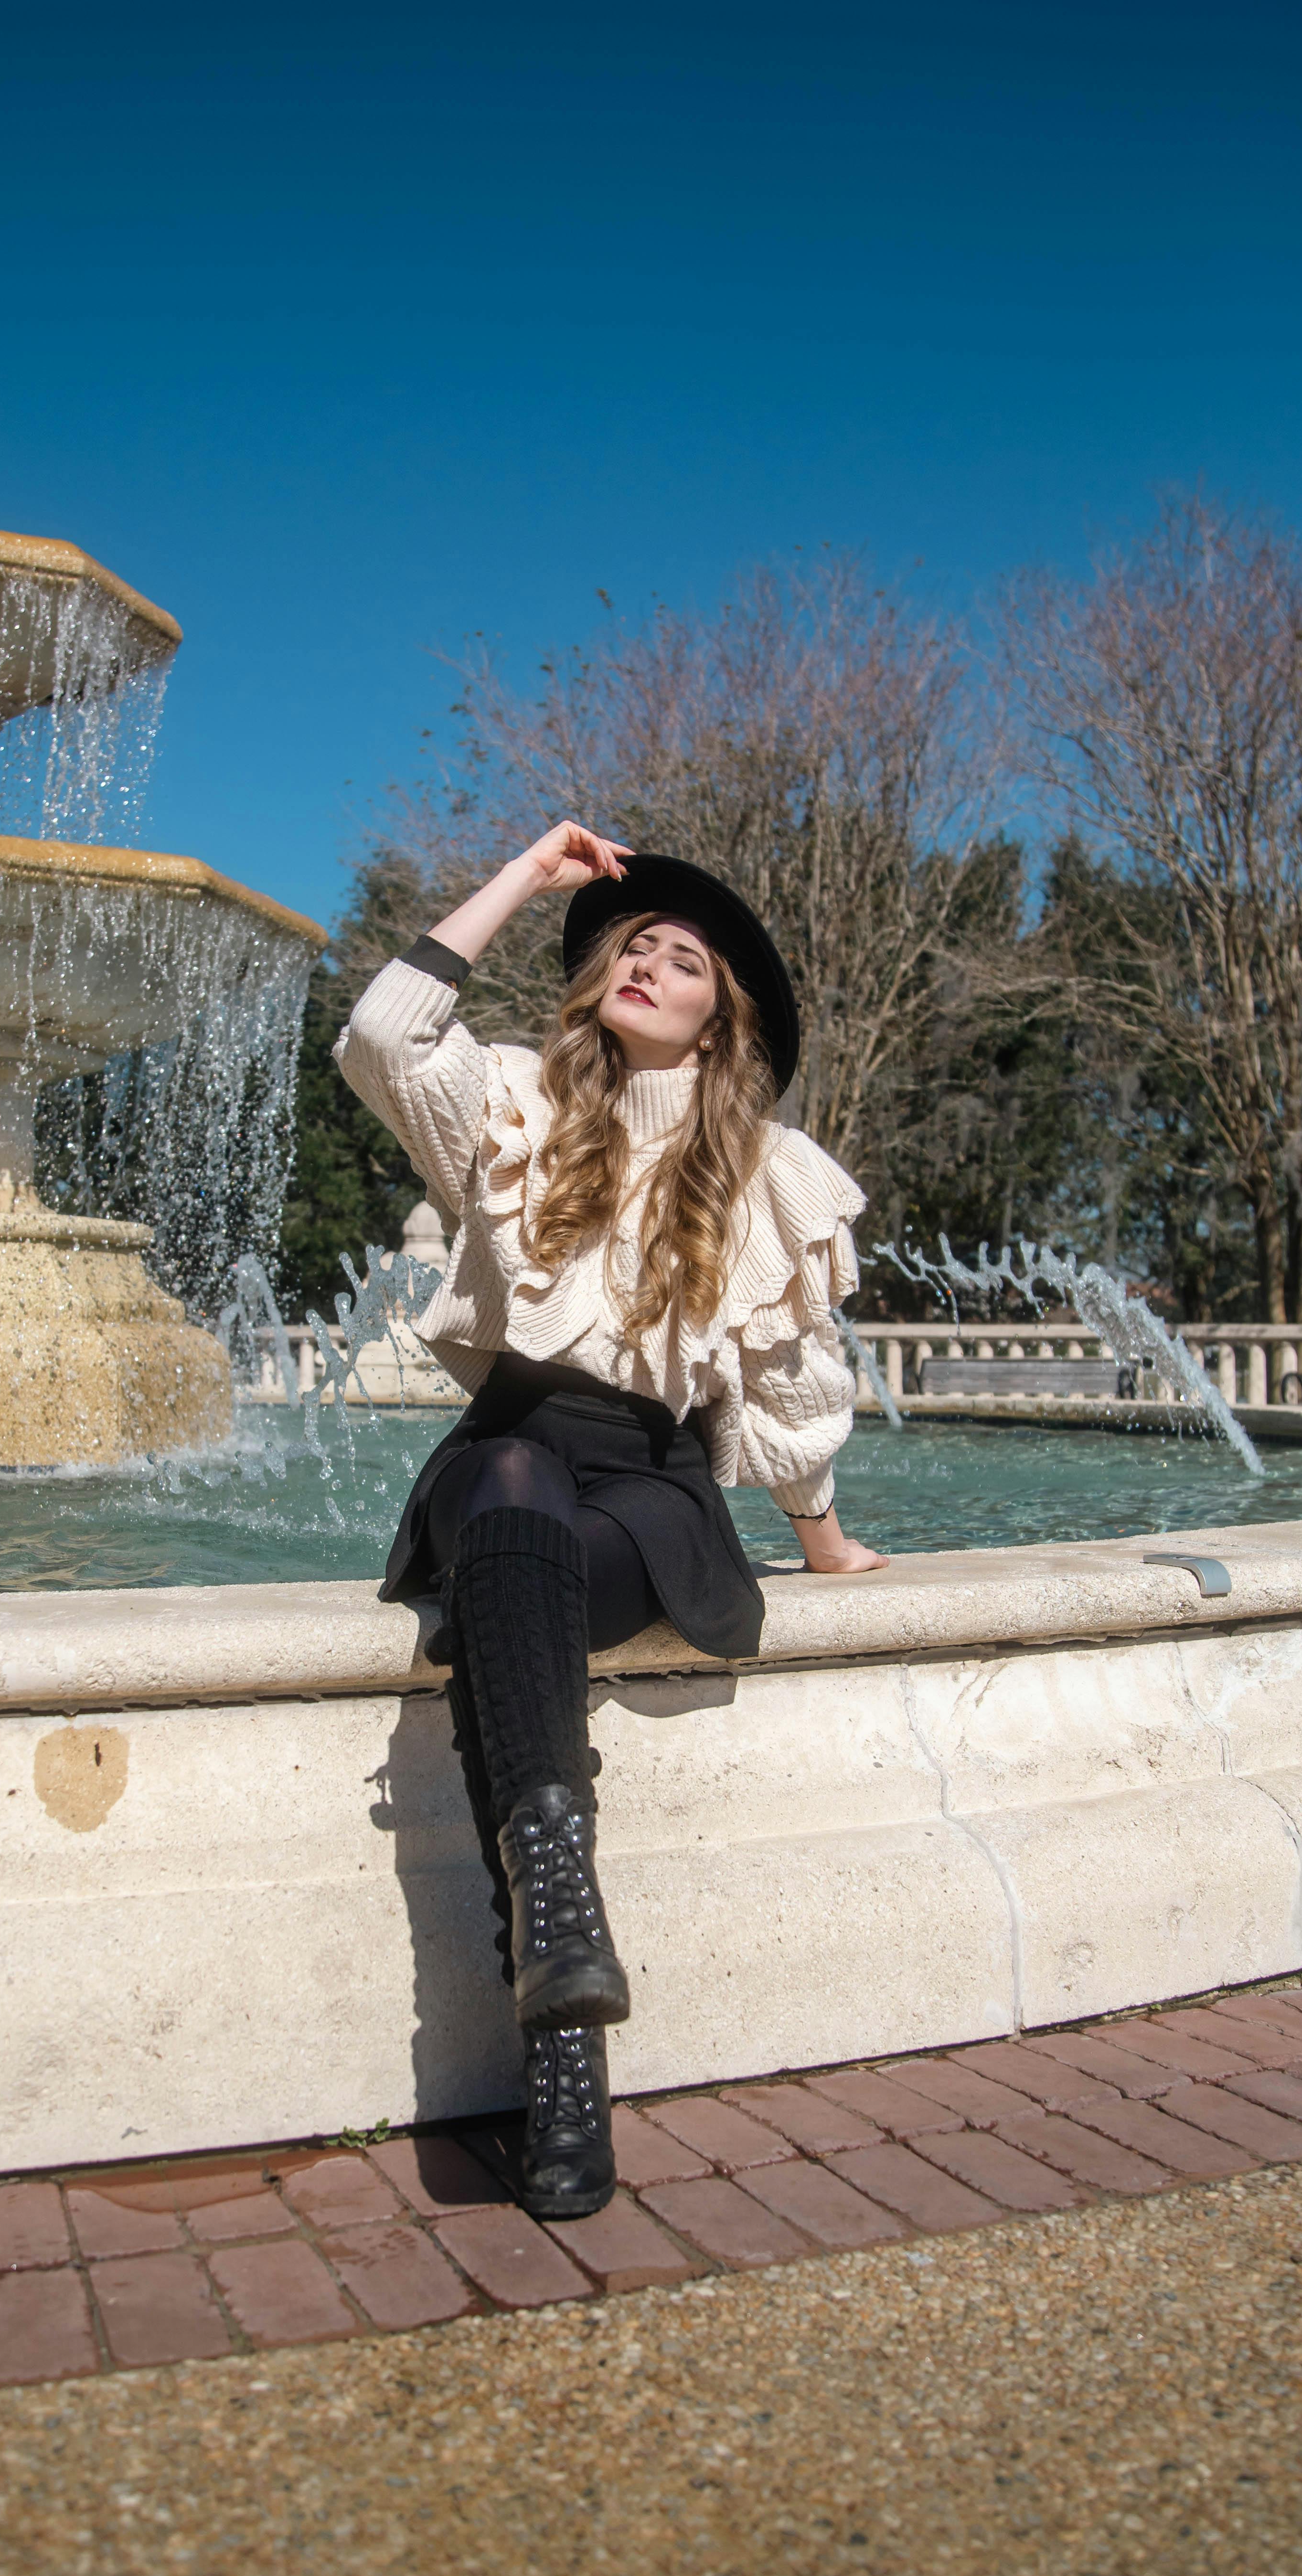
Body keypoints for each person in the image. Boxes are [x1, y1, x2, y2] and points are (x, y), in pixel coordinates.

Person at [333, 822, 886, 2220]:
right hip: (505, 1453)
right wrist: (531, 874)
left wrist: (822, 1537)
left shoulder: (768, 1168)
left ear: (720, 1013)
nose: (647, 960)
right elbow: (388, 1030)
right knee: (508, 1495)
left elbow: (783, 1382)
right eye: (631, 945)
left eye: (681, 957)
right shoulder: (515, 1100)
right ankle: (564, 1958)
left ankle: (564, 2051)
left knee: (512, 1603)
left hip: (646, 1493)